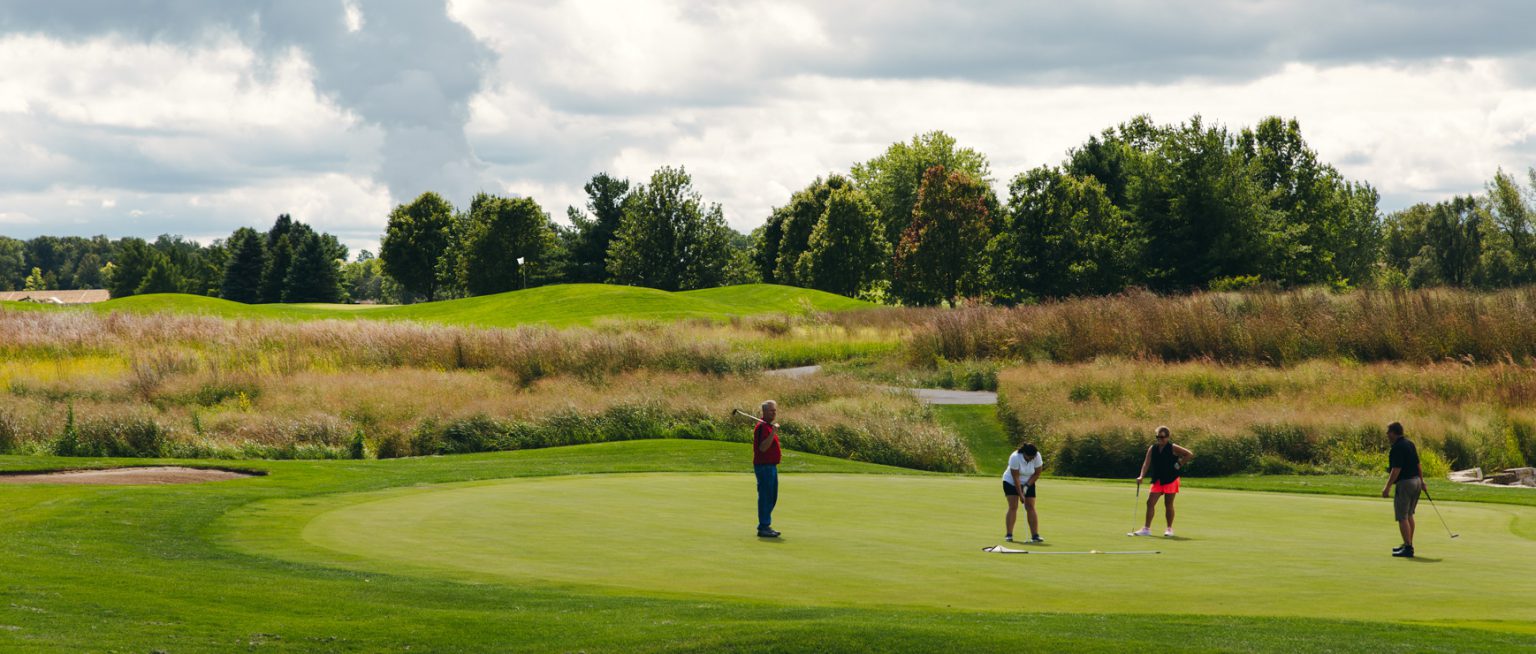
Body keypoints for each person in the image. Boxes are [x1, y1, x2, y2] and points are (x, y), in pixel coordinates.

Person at [1133, 426, 1193, 537]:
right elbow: (1146, 463)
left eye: (1162, 437)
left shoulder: (1172, 447)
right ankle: (1146, 529)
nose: (1160, 439)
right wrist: (1141, 476)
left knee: (1168, 504)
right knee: (1150, 502)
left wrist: (1179, 464)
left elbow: (1189, 454)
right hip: (1158, 479)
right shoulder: (1153, 448)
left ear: (1167, 437)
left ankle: (1169, 529)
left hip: (1171, 479)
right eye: (1158, 437)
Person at [1380, 421, 1421, 558]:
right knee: (1409, 515)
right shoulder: (1409, 444)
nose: (1386, 435)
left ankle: (1408, 547)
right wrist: (1422, 481)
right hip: (1416, 481)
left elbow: (1396, 469)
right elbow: (1418, 464)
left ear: (1393, 433)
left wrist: (1387, 487)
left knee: (1402, 516)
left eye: (1388, 432)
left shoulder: (1397, 447)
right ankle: (1408, 543)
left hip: (1405, 483)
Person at [1002, 442, 1044, 543]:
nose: (1031, 459)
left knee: (1030, 506)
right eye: (1029, 457)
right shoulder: (1015, 457)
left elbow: (1037, 473)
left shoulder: (1037, 456)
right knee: (1013, 506)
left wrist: (1027, 486)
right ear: (1024, 453)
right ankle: (1009, 535)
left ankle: (1035, 535)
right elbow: (1015, 477)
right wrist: (1021, 494)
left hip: (1028, 481)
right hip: (1011, 482)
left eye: (1032, 457)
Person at [752, 400, 782, 538]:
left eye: (775, 410)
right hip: (764, 467)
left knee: (772, 497)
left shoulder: (768, 426)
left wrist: (773, 430)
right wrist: (773, 432)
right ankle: (764, 526)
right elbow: (763, 448)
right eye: (771, 410)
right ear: (764, 412)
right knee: (765, 497)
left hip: (771, 466)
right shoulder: (762, 427)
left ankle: (766, 525)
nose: (774, 413)